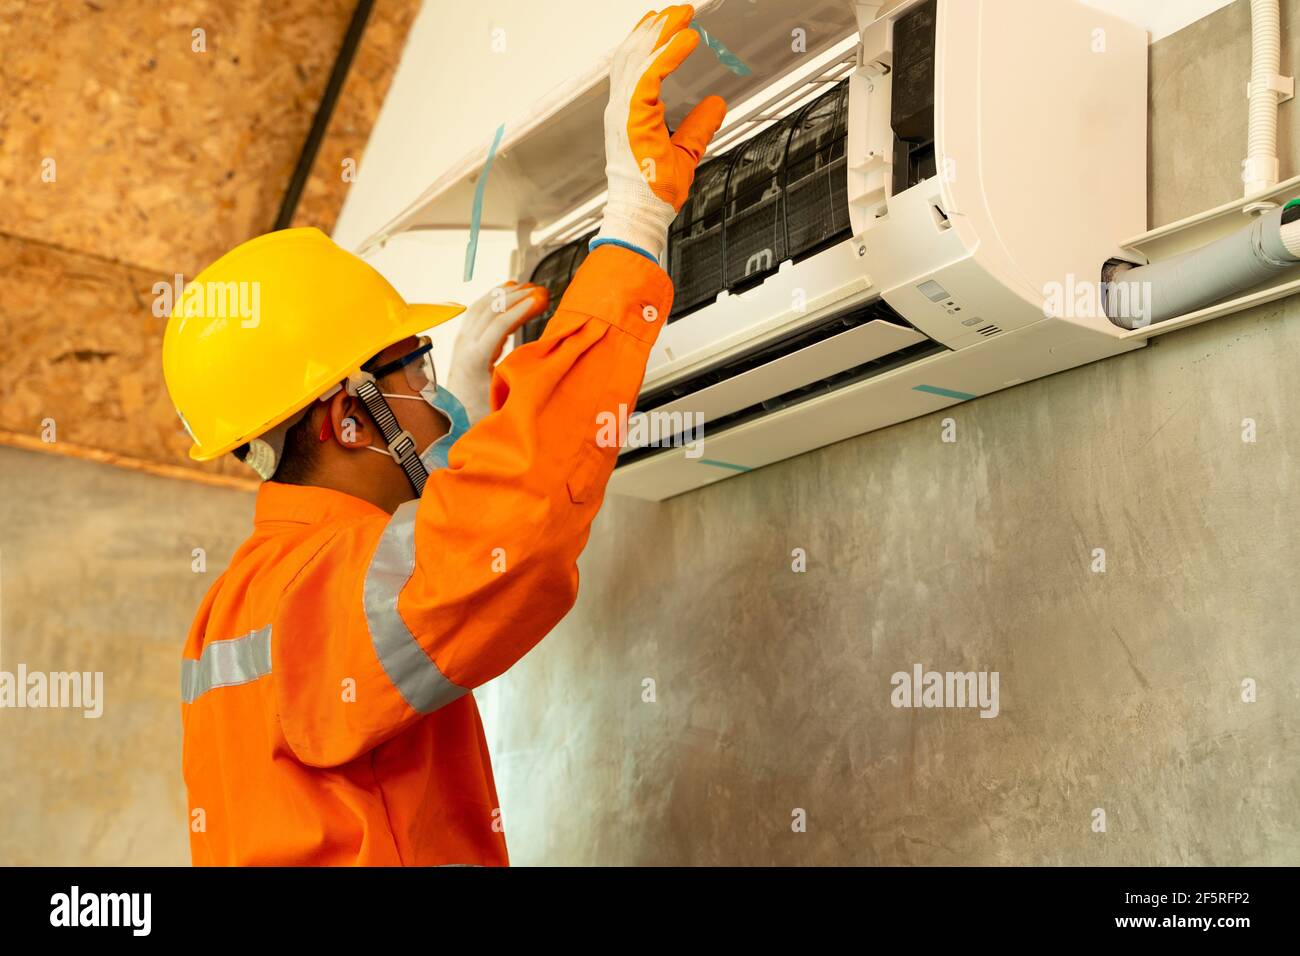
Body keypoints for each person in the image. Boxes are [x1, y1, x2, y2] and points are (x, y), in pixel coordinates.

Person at [164, 4, 726, 865]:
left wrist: (452, 406)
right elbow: (509, 532)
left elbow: (429, 555)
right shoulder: (318, 596)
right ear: (349, 418)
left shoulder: (234, 607)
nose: (437, 400)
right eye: (414, 376)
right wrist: (636, 223)